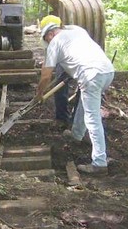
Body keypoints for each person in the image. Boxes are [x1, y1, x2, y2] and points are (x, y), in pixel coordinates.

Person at [36, 14, 114, 174]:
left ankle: (99, 163)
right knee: (84, 104)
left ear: (49, 35)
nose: (48, 42)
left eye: (47, 39)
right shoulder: (77, 31)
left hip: (90, 75)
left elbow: (45, 75)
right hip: (107, 71)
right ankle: (76, 135)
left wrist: (39, 93)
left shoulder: (54, 43)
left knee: (92, 119)